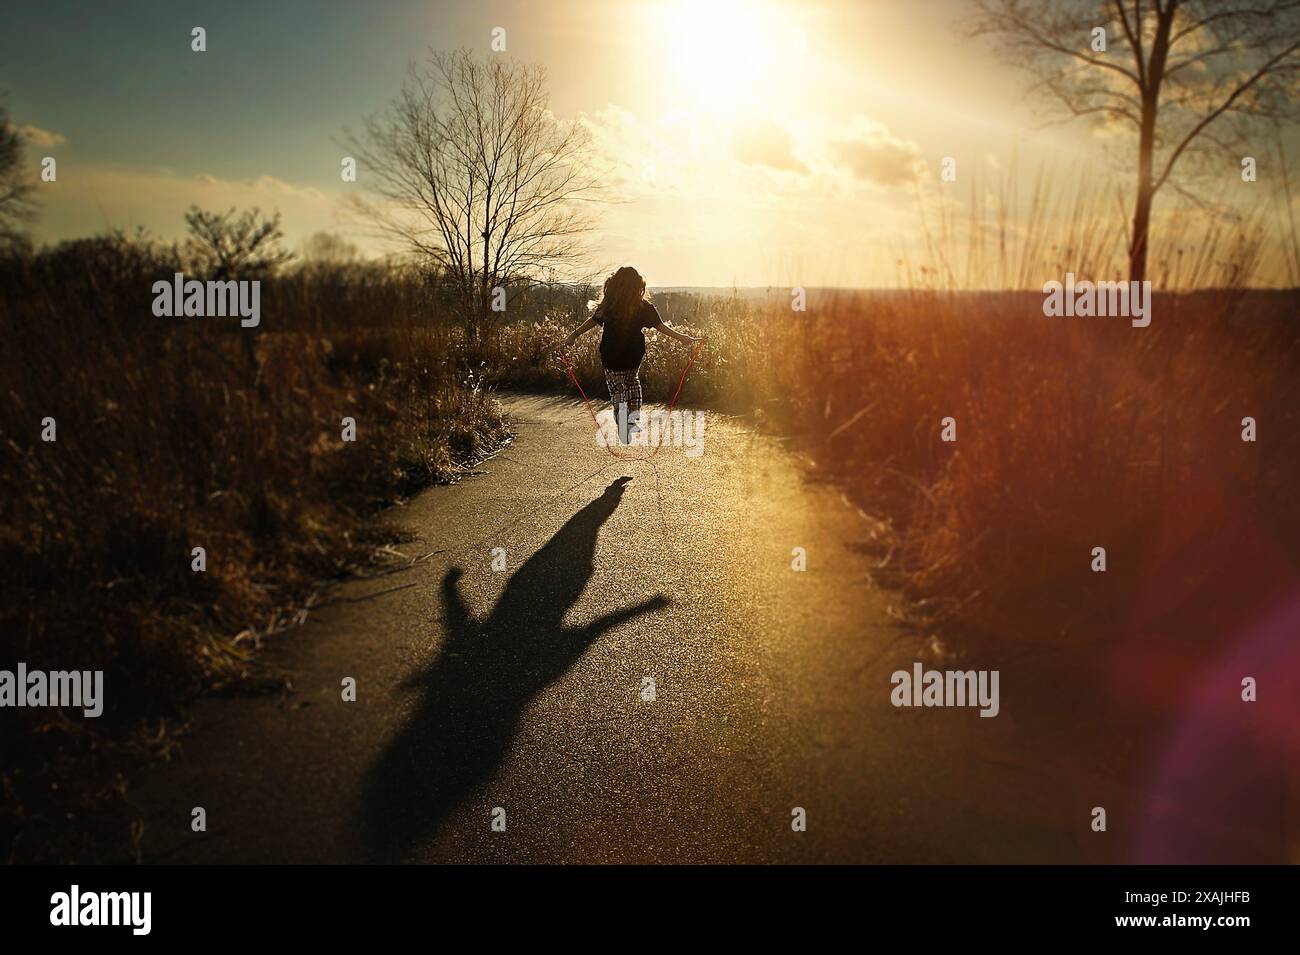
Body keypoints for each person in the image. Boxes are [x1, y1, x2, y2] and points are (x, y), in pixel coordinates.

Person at [561, 266, 702, 444]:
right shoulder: (643, 307)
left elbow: (592, 322)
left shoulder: (610, 306)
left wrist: (573, 335)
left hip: (613, 358)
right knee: (633, 388)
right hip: (632, 358)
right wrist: (682, 338)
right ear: (638, 287)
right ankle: (628, 421)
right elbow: (661, 327)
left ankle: (624, 421)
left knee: (619, 390)